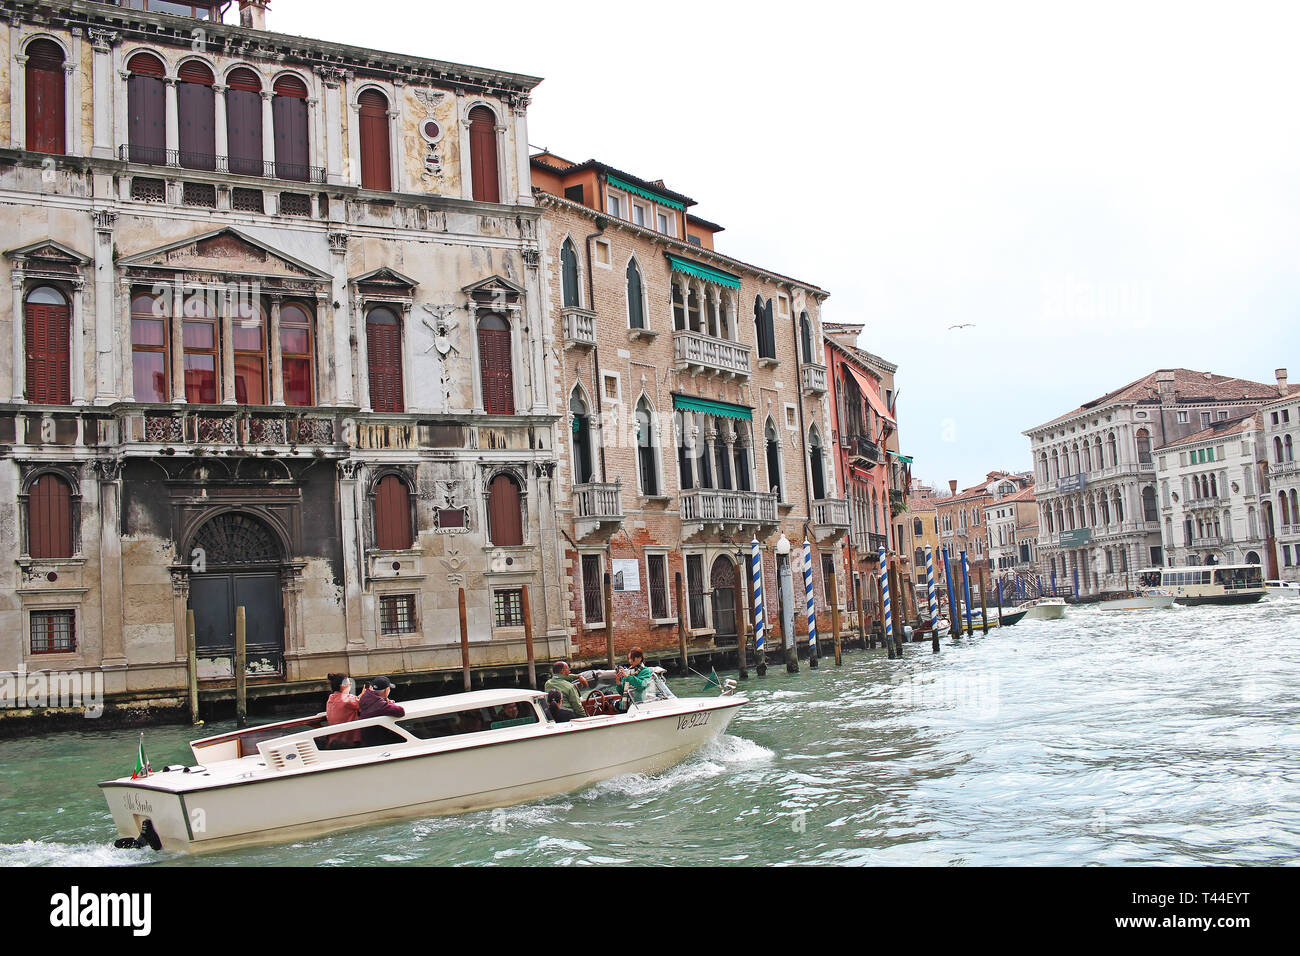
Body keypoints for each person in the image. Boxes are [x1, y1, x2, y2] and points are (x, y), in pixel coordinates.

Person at [324, 673, 361, 747]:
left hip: (334, 739)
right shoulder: (348, 699)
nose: (350, 685)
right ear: (342, 687)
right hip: (349, 741)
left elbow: (353, 702)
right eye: (349, 683)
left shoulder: (331, 698)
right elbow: (365, 704)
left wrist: (362, 694)